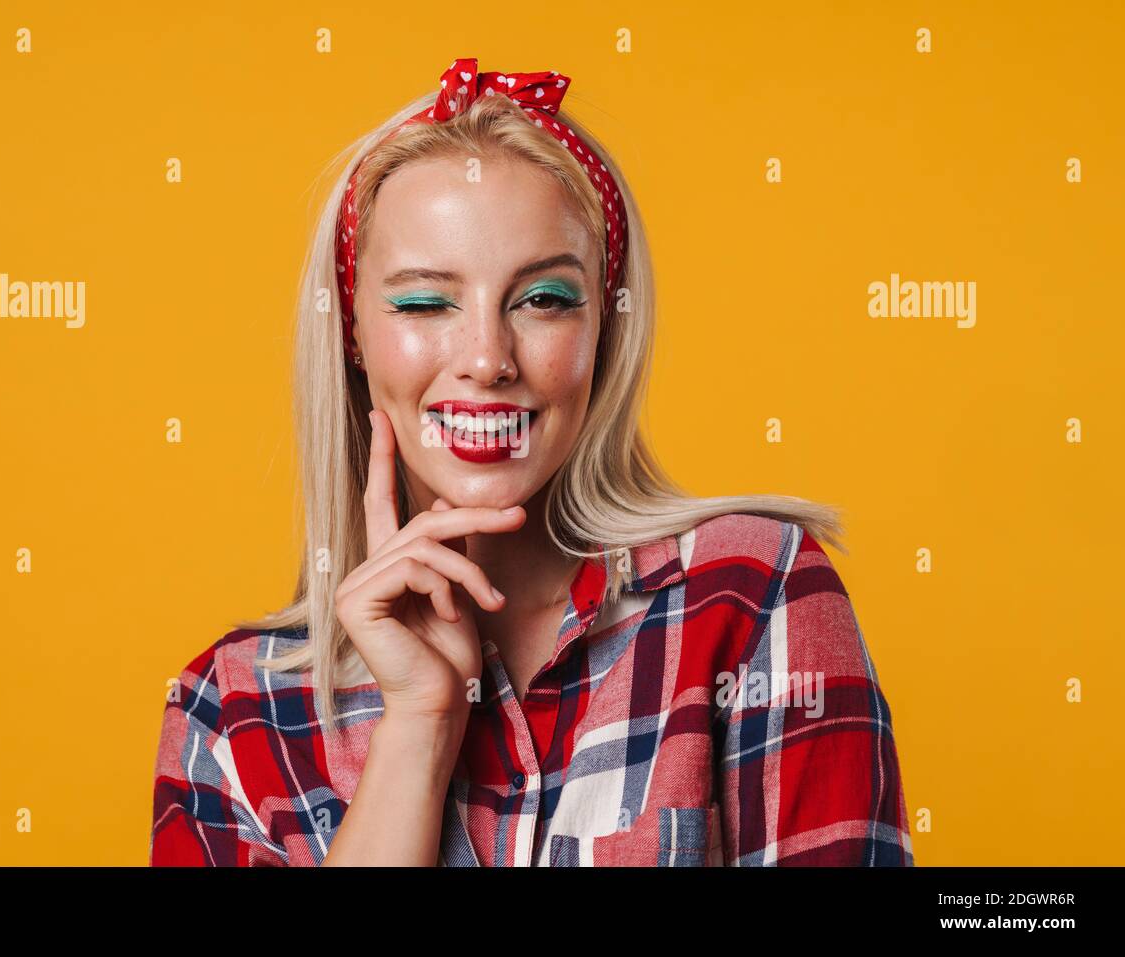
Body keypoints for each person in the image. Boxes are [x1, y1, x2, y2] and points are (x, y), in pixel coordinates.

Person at [149, 57, 913, 867]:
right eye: (422, 301)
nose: (487, 359)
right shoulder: (230, 714)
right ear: (353, 335)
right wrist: (419, 726)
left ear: (604, 332)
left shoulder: (752, 596)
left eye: (543, 298)